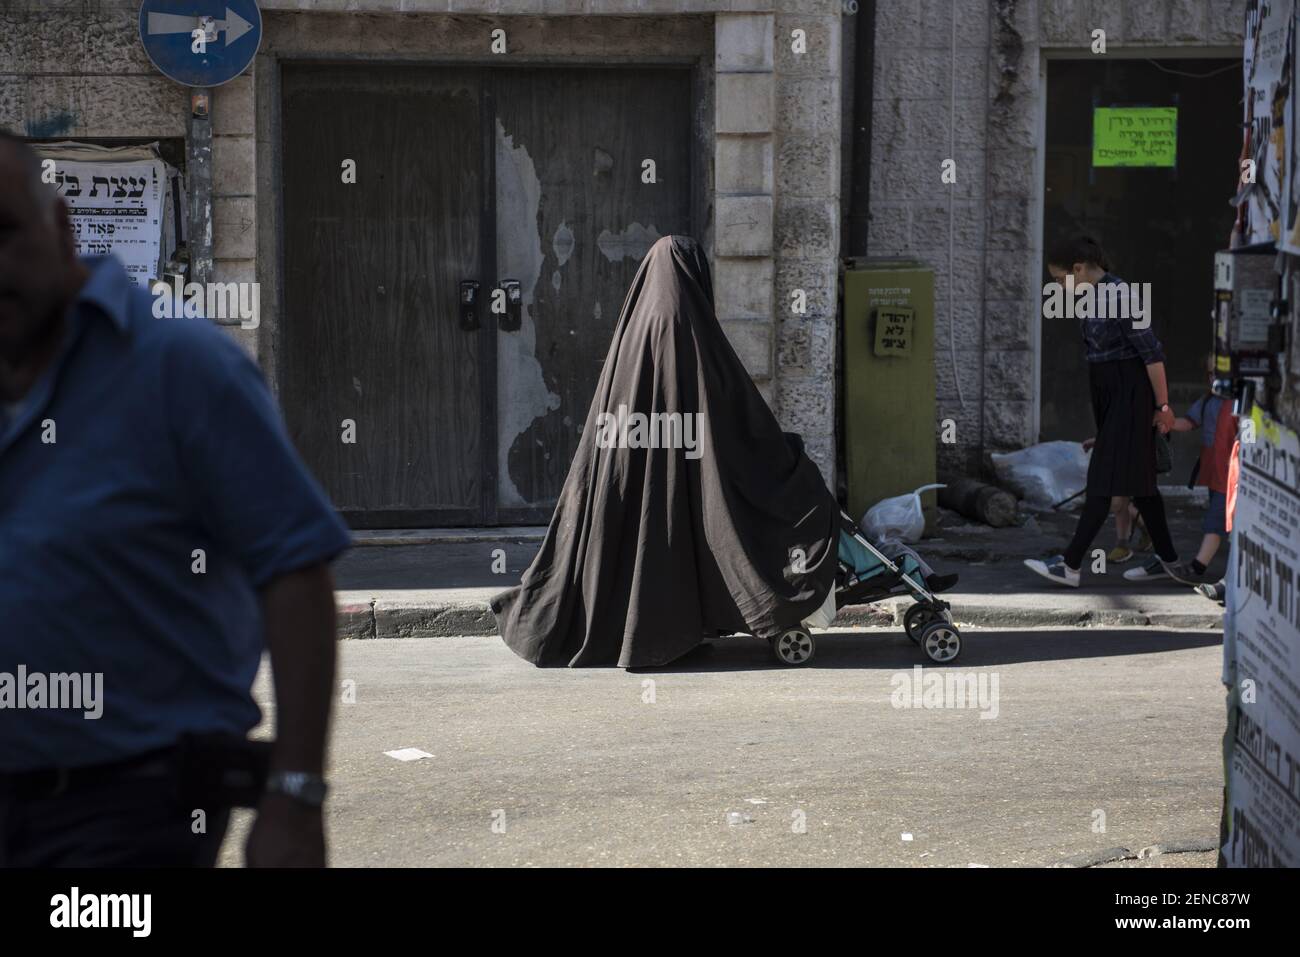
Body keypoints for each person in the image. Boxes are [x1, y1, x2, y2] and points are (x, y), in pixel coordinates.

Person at [0, 131, 352, 866]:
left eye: (3, 233)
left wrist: (295, 796)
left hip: (125, 817)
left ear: (60, 227)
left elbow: (295, 572)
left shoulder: (180, 367)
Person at [492, 236, 840, 667]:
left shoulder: (634, 329)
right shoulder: (689, 325)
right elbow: (732, 412)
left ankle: (638, 630)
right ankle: (679, 625)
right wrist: (783, 453)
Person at [1024, 235, 1194, 588]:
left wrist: (1162, 407)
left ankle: (1070, 565)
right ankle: (1169, 560)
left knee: (1102, 483)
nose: (1057, 287)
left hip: (1130, 396)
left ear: (1078, 269)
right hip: (1114, 399)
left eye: (1059, 279)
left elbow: (1153, 356)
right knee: (1142, 486)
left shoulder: (1121, 296)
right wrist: (1108, 427)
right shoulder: (1090, 298)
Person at [1169, 356, 1238, 588]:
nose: (1213, 379)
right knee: (1222, 522)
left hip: (1231, 477)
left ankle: (1198, 567)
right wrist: (1165, 422)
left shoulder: (1241, 404)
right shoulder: (1208, 401)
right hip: (1215, 474)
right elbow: (1188, 422)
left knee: (1215, 522)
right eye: (1210, 374)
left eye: (1219, 374)